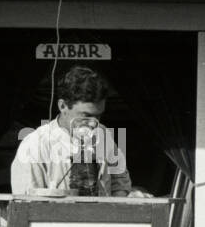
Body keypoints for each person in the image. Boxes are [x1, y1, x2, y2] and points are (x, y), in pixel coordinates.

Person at [11, 65, 135, 197]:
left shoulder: (103, 134)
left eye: (98, 115)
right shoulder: (34, 146)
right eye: (86, 115)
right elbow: (27, 204)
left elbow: (119, 181)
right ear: (63, 106)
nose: (94, 123)